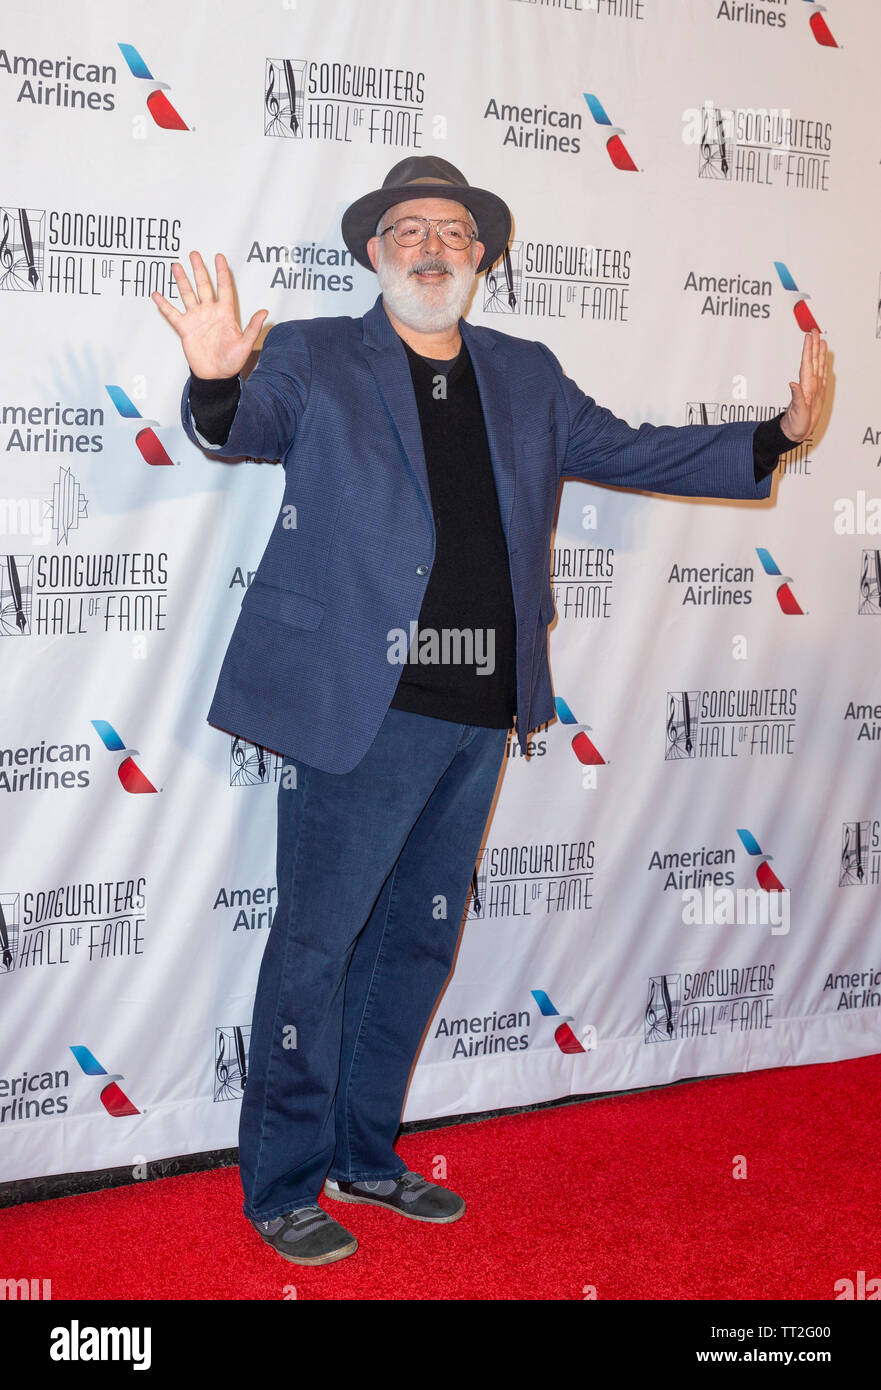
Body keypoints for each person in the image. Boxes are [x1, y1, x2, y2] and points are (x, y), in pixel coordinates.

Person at [152, 156, 828, 1267]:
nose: (430, 246)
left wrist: (771, 435)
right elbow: (243, 425)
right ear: (373, 253)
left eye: (453, 232)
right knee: (316, 949)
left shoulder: (525, 373)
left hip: (480, 708)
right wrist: (217, 382)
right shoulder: (316, 354)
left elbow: (630, 447)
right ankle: (279, 1183)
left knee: (415, 945)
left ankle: (366, 1155)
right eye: (406, 228)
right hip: (359, 708)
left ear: (479, 258)